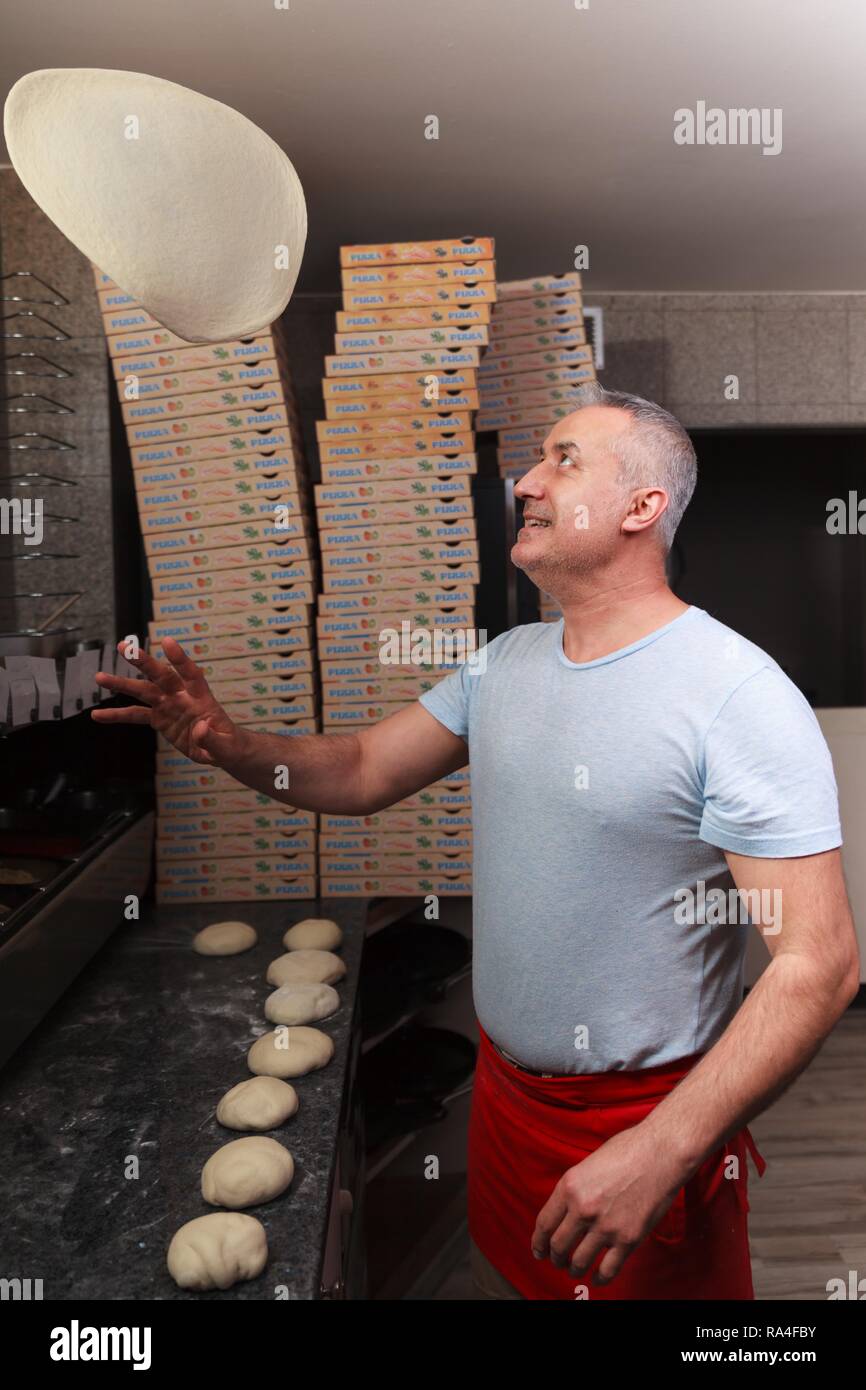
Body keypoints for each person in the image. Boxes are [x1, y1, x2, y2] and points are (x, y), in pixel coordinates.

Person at [94, 383, 859, 1300]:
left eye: (564, 460)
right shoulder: (503, 665)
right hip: (507, 1104)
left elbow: (820, 964)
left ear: (641, 507)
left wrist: (660, 1152)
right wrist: (226, 742)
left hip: (642, 1127)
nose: (527, 481)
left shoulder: (734, 693)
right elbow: (365, 770)